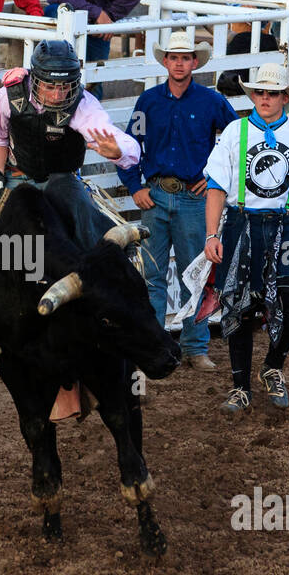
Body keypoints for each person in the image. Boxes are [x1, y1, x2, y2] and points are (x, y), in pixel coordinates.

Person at [0, 40, 142, 397]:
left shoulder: (85, 106)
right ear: (36, 80)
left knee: (93, 240)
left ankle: (114, 327)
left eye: (64, 85)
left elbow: (120, 142)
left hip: (62, 181)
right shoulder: (10, 95)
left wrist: (119, 151)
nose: (56, 93)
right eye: (50, 85)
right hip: (16, 177)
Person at [202, 64, 289, 413]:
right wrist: (212, 234)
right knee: (239, 304)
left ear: (284, 98)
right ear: (253, 96)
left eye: (271, 93)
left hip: (287, 220)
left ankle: (273, 365)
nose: (264, 98)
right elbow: (215, 187)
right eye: (259, 92)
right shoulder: (235, 132)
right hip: (241, 221)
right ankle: (240, 386)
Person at [117, 31, 237, 370]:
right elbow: (129, 145)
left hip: (192, 199)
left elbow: (236, 141)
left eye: (185, 58)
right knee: (152, 276)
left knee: (193, 275)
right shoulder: (148, 101)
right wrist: (134, 186)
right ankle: (155, 349)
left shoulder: (211, 102)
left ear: (194, 62)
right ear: (165, 61)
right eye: (174, 57)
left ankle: (195, 348)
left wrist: (214, 180)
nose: (180, 63)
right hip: (155, 196)